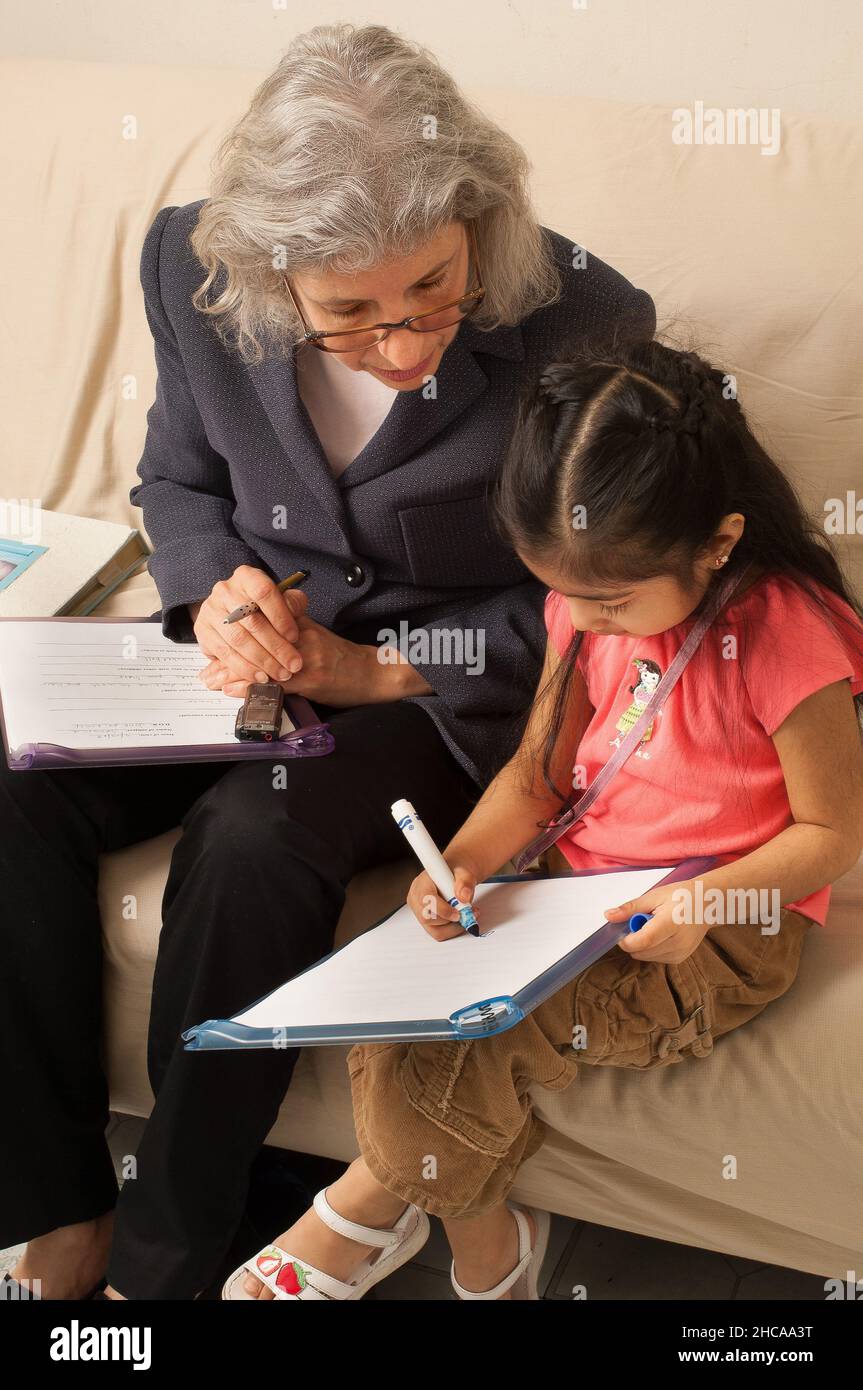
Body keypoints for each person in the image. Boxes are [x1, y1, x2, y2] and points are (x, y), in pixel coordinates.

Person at [0, 23, 654, 1300]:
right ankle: (59, 1205)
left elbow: (603, 594)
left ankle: (161, 1260)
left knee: (257, 833)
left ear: (478, 225)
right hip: (255, 643)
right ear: (265, 268)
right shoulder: (190, 261)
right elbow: (178, 480)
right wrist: (210, 593)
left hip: (443, 676)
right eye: (350, 314)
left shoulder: (586, 313)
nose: (404, 346)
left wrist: (385, 675)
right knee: (18, 788)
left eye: (434, 295)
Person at [223, 333, 863, 1301]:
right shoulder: (577, 605)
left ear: (717, 544)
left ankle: (397, 1232)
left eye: (606, 600)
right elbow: (535, 778)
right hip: (572, 892)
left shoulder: (782, 635)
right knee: (394, 1015)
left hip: (716, 930)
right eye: (561, 591)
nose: (578, 618)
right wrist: (461, 868)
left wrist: (709, 906)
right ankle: (487, 1249)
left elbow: (832, 834)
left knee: (448, 1052)